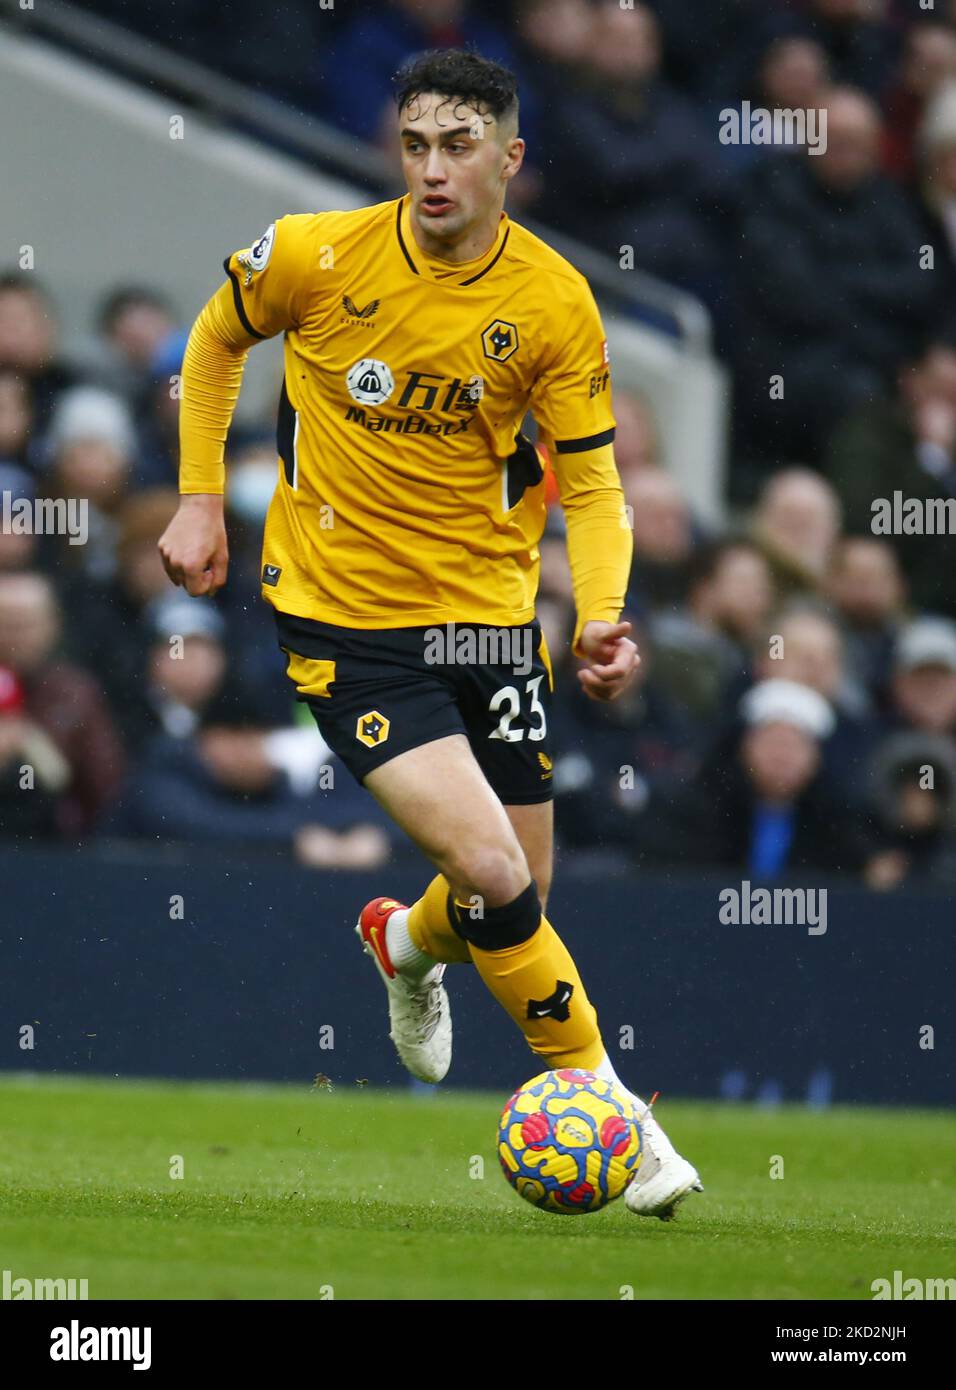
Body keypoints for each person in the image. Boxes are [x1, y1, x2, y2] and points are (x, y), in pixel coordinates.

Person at [158, 48, 701, 1221]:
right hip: (347, 625)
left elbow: (595, 486)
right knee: (498, 873)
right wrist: (200, 496)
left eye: (458, 145)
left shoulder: (552, 299)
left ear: (510, 157)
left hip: (493, 625)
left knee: (517, 891)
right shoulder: (315, 252)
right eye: (413, 144)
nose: (431, 169)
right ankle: (611, 1108)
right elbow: (211, 342)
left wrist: (602, 612)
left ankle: (402, 944)